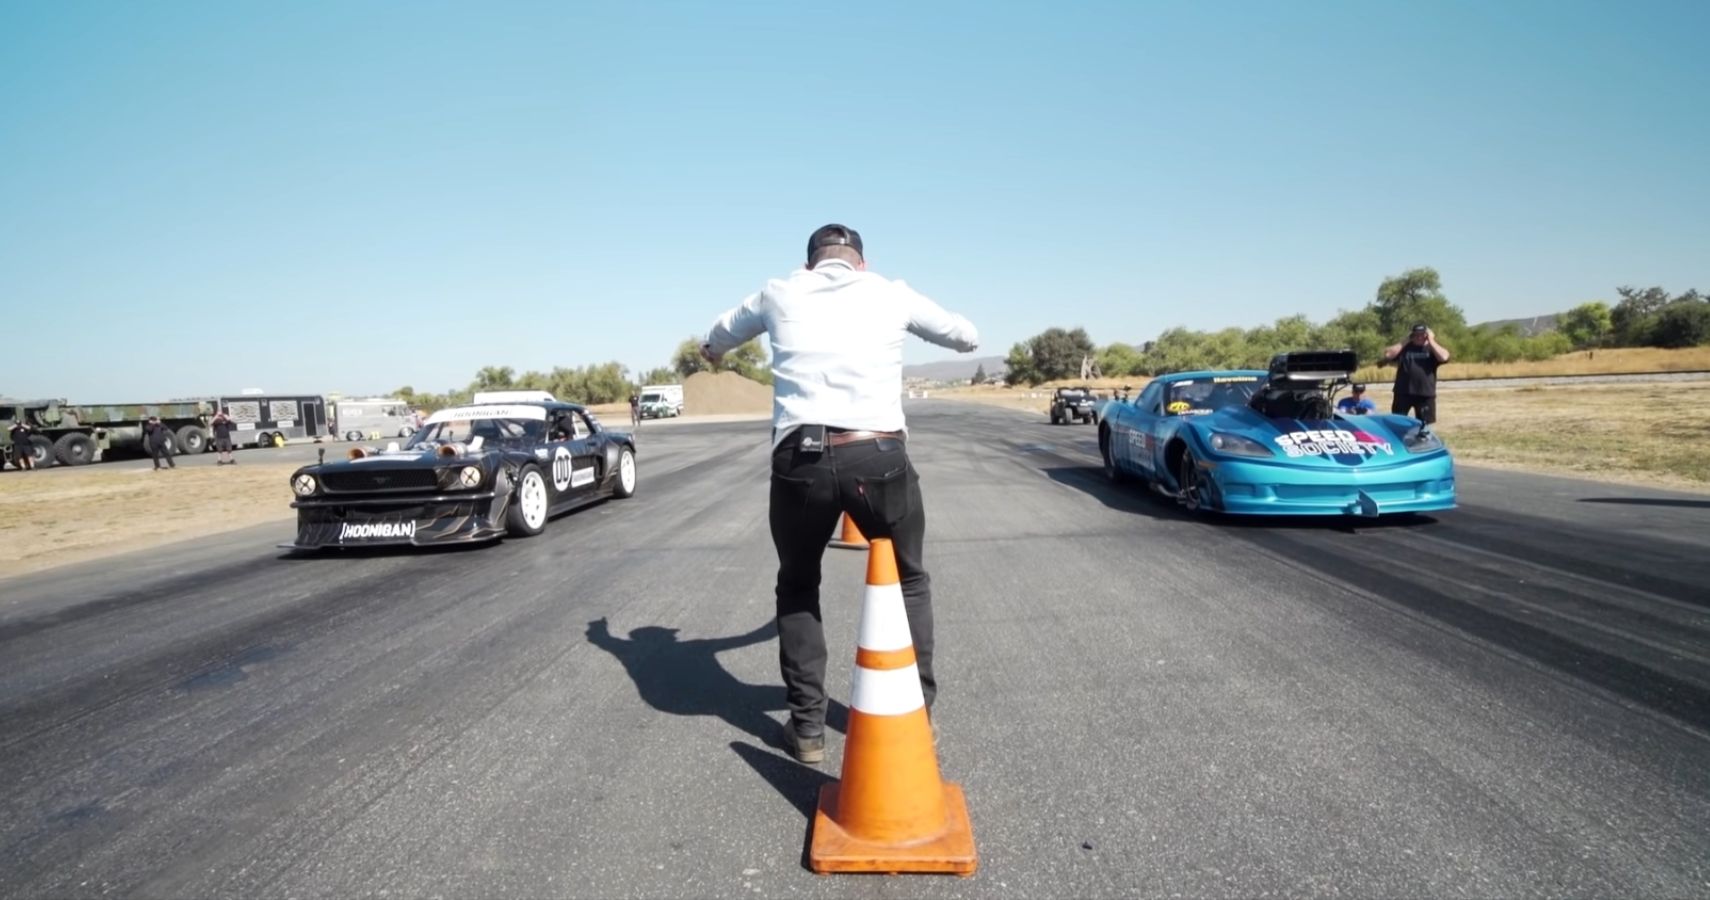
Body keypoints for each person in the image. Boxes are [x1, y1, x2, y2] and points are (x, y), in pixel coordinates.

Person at [701, 223, 980, 764]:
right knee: (909, 580)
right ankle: (917, 718)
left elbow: (720, 333)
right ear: (861, 263)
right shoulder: (892, 293)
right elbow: (964, 336)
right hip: (877, 457)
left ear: (810, 264)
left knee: (798, 583)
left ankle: (807, 729)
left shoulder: (778, 292)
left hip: (799, 462)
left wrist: (711, 350)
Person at [1383, 323, 1450, 424]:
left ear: (1426, 335)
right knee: (1397, 422)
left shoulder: (1432, 349)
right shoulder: (1404, 348)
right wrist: (1406, 340)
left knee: (1425, 425)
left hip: (1425, 393)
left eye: (1422, 334)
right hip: (1403, 392)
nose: (1419, 337)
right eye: (1416, 335)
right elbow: (1388, 355)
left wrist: (1431, 340)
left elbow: (1444, 357)